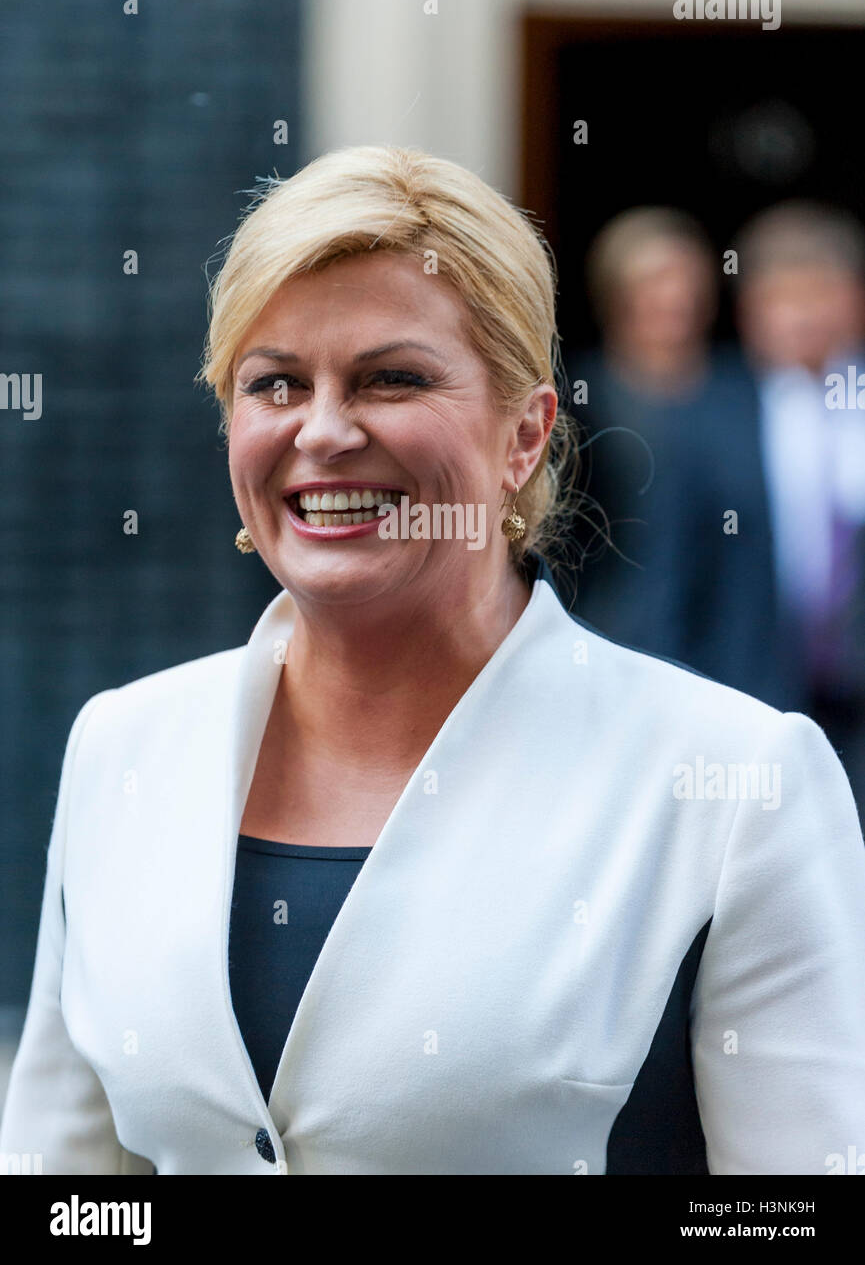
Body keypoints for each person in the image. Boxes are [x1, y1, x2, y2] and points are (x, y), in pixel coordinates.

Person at [1, 147, 864, 1175]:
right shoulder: (122, 747)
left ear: (524, 433)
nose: (323, 431)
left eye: (391, 378)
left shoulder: (737, 782)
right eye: (275, 382)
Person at [561, 208, 785, 708]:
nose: (675, 297)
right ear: (616, 292)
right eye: (655, 280)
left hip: (739, 642)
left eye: (686, 280)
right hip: (617, 638)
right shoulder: (580, 399)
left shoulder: (744, 392)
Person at [734, 200, 865, 826]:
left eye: (820, 294)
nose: (803, 316)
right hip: (751, 697)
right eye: (782, 298)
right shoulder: (714, 414)